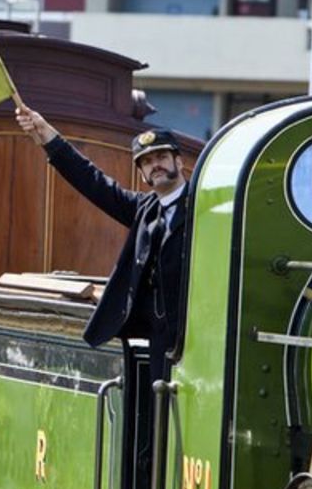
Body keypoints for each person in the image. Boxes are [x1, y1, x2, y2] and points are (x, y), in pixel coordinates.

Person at [15, 106, 187, 383]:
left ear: (179, 162)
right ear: (142, 172)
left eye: (162, 157)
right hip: (152, 338)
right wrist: (48, 136)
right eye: (146, 161)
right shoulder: (144, 209)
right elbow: (93, 181)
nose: (155, 165)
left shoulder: (203, 208)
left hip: (192, 338)